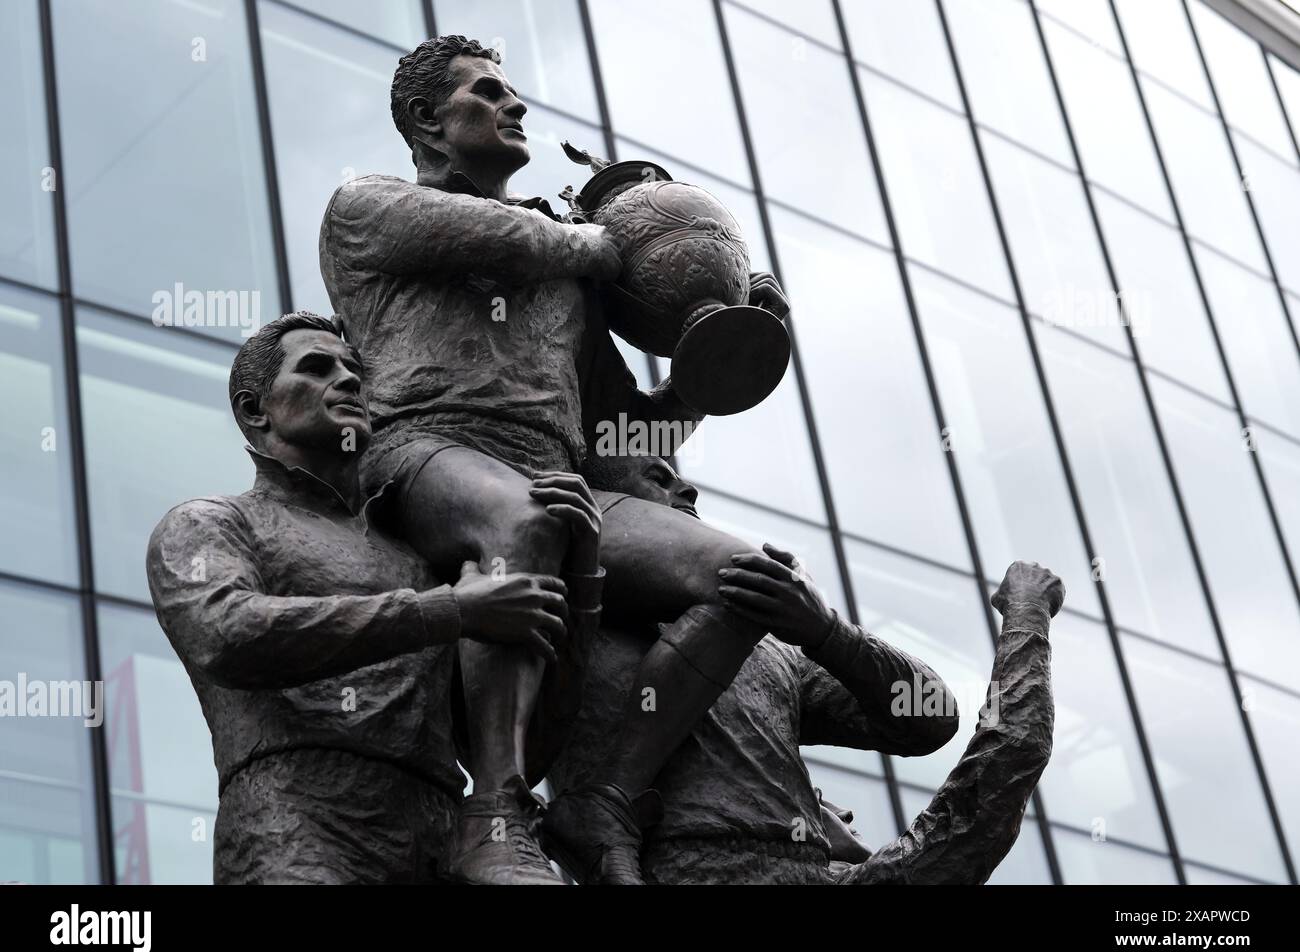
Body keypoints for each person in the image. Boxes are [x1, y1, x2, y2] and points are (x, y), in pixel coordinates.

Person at [320, 34, 792, 884]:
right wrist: (609, 242)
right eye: (488, 93)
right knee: (524, 516)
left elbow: (620, 440)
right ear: (428, 119)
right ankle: (496, 807)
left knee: (748, 576)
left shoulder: (562, 269)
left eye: (512, 93)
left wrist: (706, 375)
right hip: (426, 450)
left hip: (565, 473)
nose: (515, 106)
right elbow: (504, 237)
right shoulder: (367, 208)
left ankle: (602, 797)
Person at [145, 311, 595, 883]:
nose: (348, 378)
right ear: (254, 409)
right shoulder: (212, 524)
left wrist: (582, 575)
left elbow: (528, 750)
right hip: (298, 830)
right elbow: (226, 634)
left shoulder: (419, 558)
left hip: (435, 840)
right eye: (317, 367)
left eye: (354, 368)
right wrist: (450, 611)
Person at [549, 454, 1061, 885]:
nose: (687, 489)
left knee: (990, 796)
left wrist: (824, 630)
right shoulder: (570, 608)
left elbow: (929, 718)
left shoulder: (763, 644)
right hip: (680, 866)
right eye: (657, 478)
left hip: (810, 872)